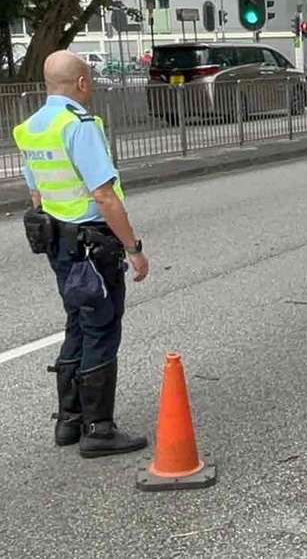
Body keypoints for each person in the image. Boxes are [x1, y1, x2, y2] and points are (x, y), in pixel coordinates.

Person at [11, 50, 149, 458]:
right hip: (94, 244)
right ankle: (98, 429)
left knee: (78, 322)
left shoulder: (32, 128)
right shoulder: (79, 125)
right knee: (102, 327)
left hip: (60, 243)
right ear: (83, 83)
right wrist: (133, 249)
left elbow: (36, 193)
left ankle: (68, 421)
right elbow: (104, 195)